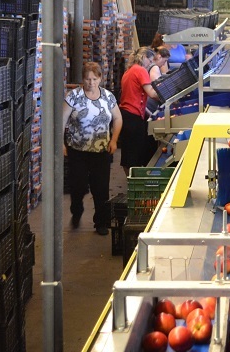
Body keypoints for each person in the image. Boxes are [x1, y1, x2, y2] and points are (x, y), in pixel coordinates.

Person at [63, 62, 122, 235]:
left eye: (94, 79)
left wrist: (114, 140)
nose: (91, 83)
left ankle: (101, 222)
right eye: (87, 79)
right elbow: (62, 120)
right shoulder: (73, 96)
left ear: (100, 79)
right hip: (77, 151)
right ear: (83, 79)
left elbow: (118, 118)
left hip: (101, 151)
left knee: (101, 187)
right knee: (78, 186)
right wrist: (61, 143)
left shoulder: (108, 97)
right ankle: (77, 209)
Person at [119, 47, 160, 175]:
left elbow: (136, 96)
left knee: (128, 153)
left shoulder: (129, 71)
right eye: (150, 60)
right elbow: (152, 93)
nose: (151, 63)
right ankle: (134, 182)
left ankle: (131, 181)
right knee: (134, 153)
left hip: (126, 115)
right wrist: (167, 92)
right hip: (133, 117)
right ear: (143, 58)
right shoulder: (140, 70)